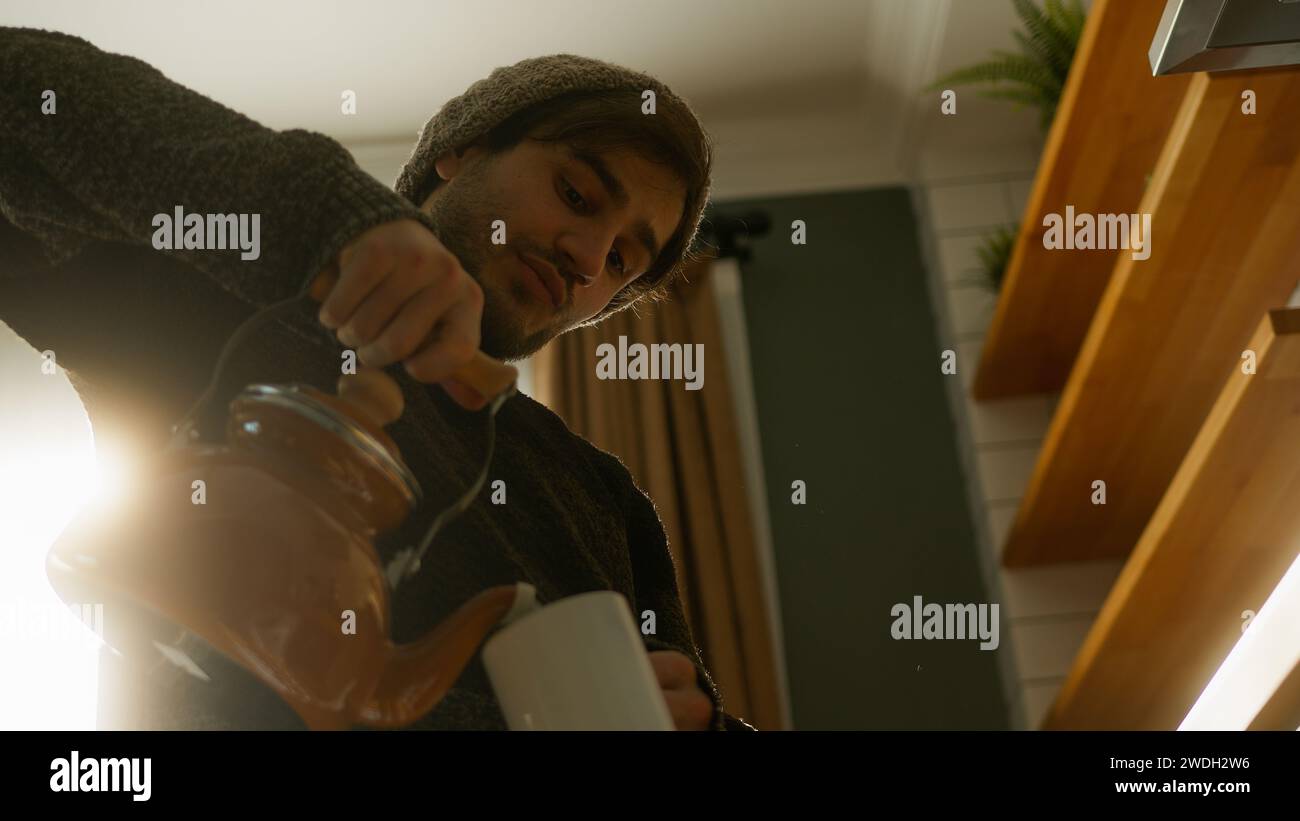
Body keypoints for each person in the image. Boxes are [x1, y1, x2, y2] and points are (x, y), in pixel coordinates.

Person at [0, 26, 753, 730]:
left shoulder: (603, 498)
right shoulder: (241, 296)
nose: (588, 259)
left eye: (622, 261)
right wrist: (328, 215)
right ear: (460, 149)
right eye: (577, 195)